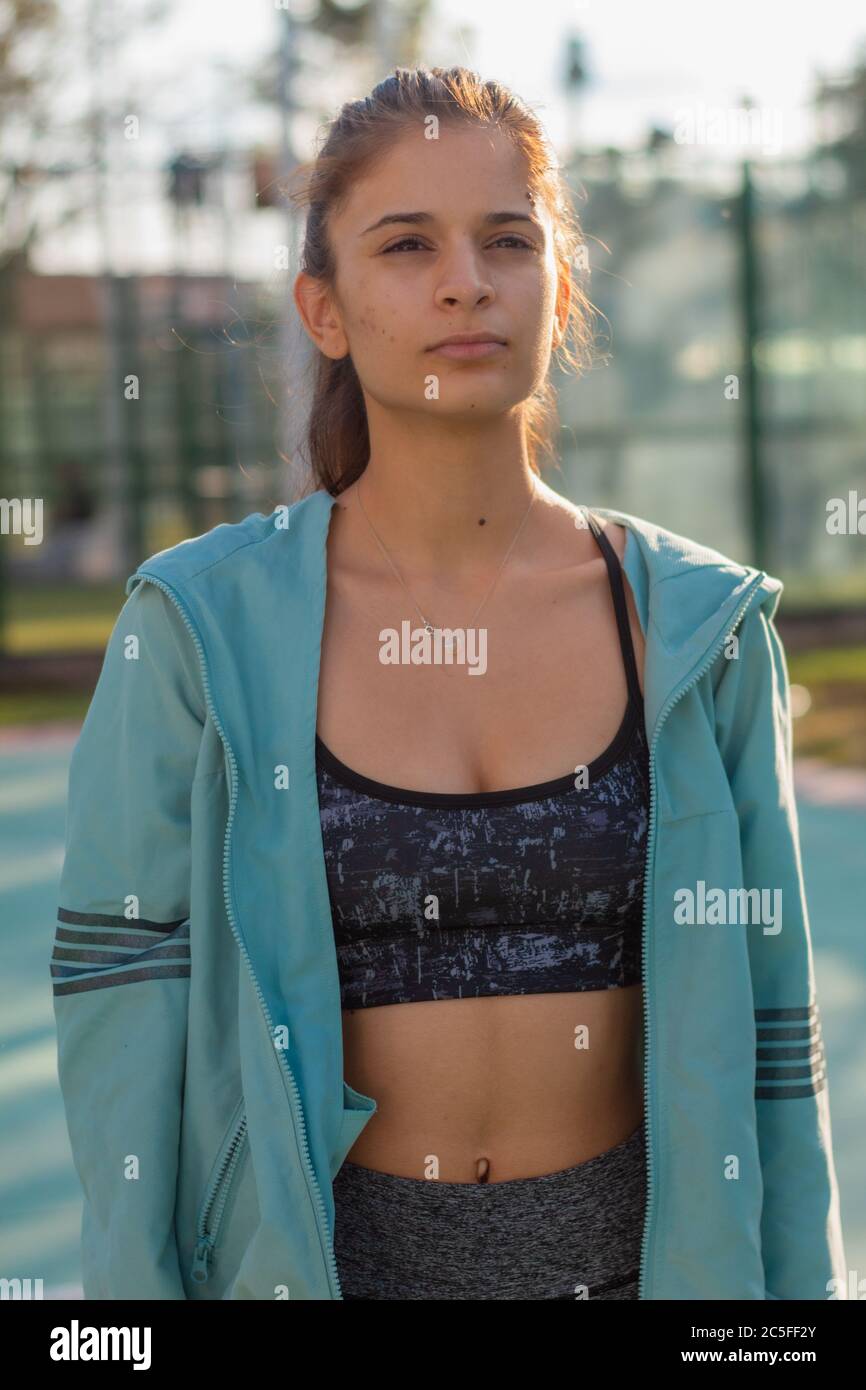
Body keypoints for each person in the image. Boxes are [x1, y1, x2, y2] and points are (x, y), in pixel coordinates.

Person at [51, 66, 847, 1301]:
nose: (464, 280)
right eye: (406, 243)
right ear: (324, 310)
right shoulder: (196, 627)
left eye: (506, 240)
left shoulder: (702, 628)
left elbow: (770, 1043)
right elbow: (122, 1006)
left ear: (558, 284)